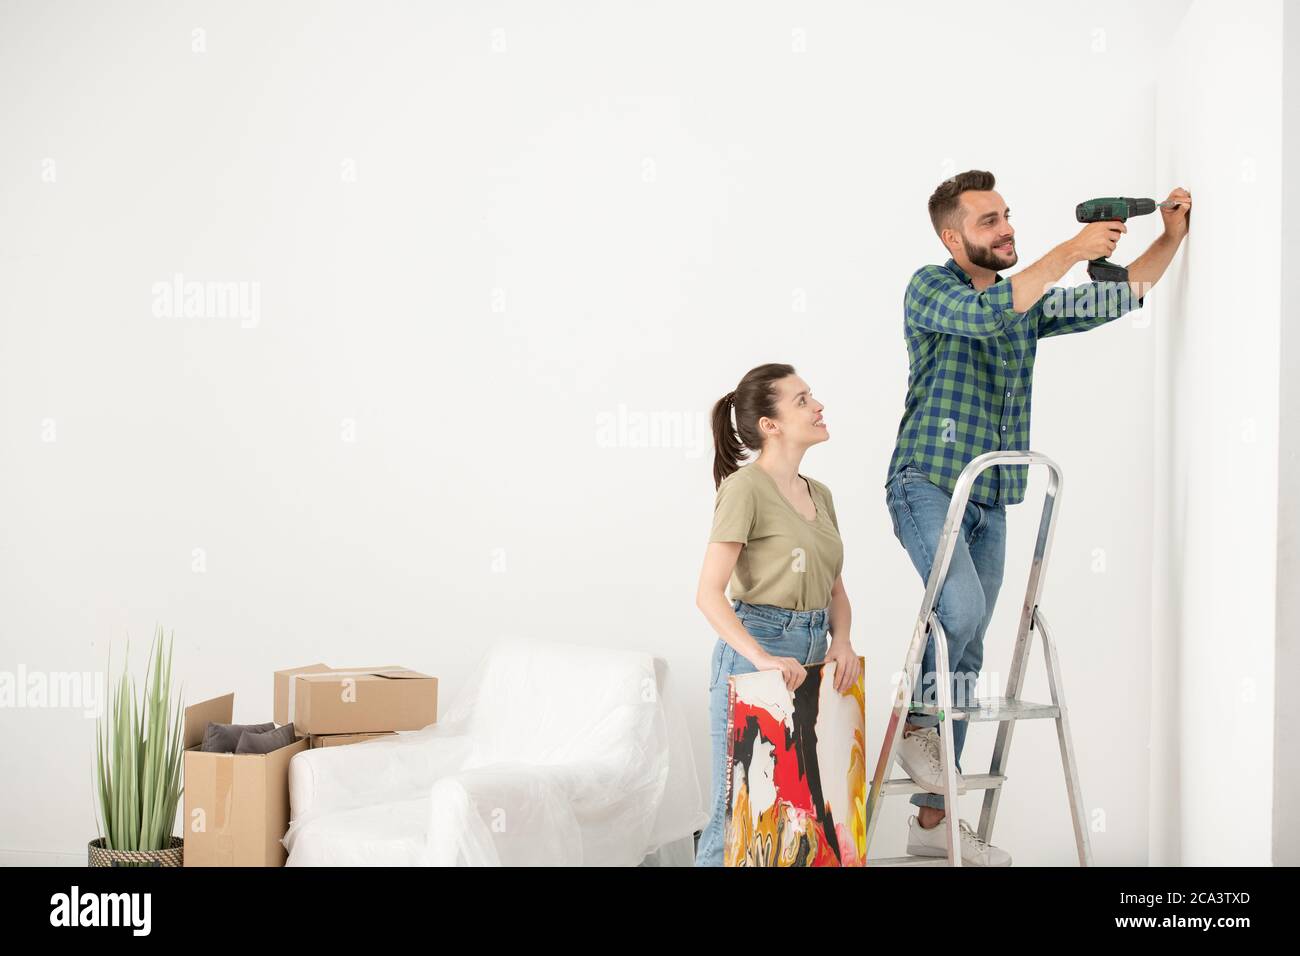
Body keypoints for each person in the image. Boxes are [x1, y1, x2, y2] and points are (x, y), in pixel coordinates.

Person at [885, 170, 1191, 865]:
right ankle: (917, 728)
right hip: (927, 485)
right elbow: (988, 315)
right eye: (989, 221)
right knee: (957, 613)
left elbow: (1118, 297)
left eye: (1007, 216)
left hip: (990, 497)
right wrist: (1074, 247)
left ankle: (932, 823)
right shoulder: (929, 289)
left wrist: (1167, 240)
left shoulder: (1026, 306)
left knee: (969, 646)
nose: (1006, 229)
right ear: (952, 237)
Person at [693, 363, 863, 867]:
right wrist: (762, 657)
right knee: (738, 817)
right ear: (770, 425)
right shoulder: (746, 489)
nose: (818, 406)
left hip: (816, 653)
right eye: (803, 399)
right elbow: (708, 594)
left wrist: (843, 640)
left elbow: (835, 589)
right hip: (757, 651)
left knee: (803, 820)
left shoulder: (821, 495)